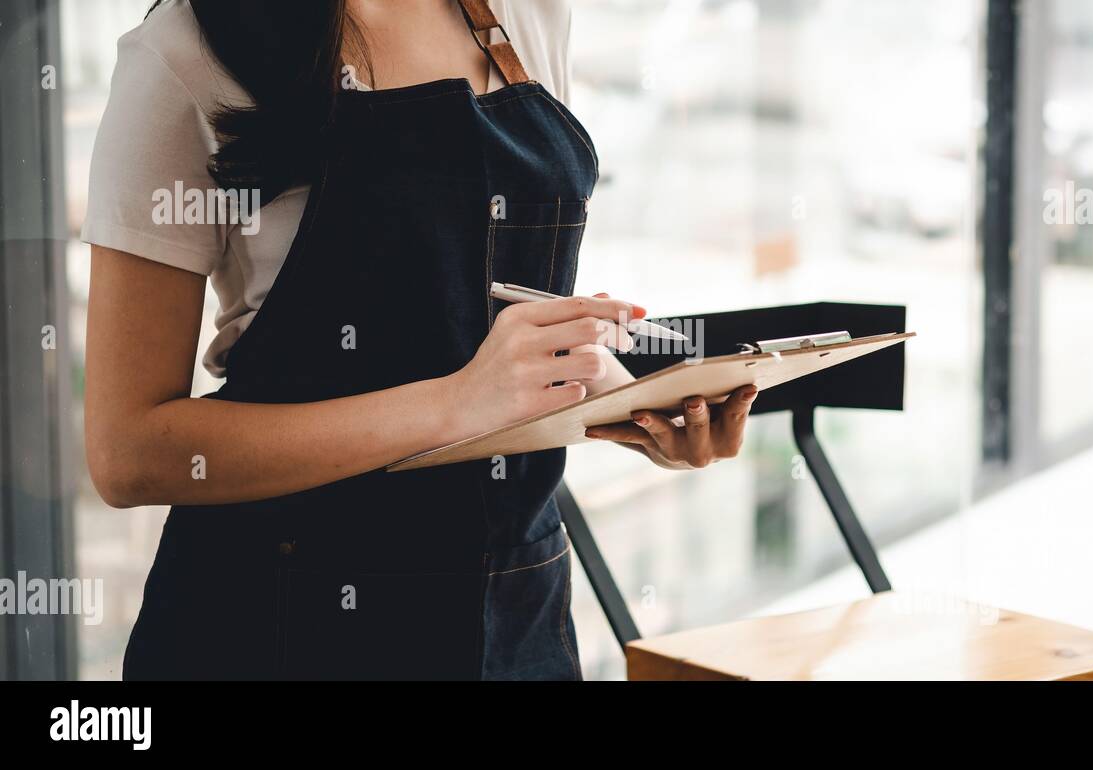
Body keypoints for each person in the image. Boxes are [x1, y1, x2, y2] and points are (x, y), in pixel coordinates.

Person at [82, 0, 757, 680]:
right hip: (283, 624)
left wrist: (625, 400)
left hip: (514, 615)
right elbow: (128, 451)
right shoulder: (184, 55)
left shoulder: (529, 15)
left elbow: (475, 320)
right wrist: (456, 404)